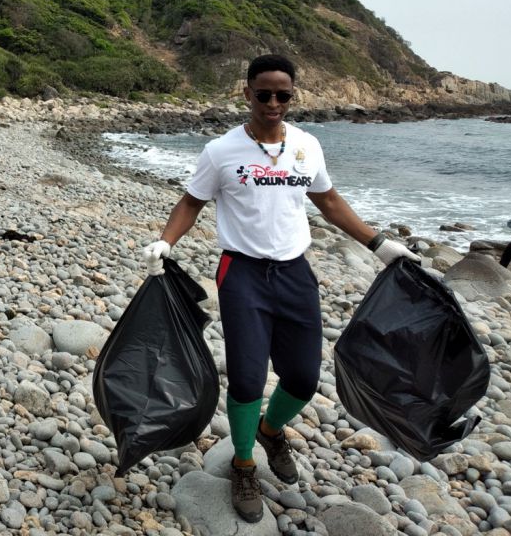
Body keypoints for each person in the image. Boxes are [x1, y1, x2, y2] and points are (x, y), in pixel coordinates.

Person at [142, 54, 418, 523]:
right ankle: (244, 462)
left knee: (303, 379)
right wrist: (164, 242)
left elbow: (328, 200)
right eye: (264, 93)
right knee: (248, 378)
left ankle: (272, 430)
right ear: (246, 93)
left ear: (293, 96)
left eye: (283, 94)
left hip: (295, 275)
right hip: (242, 274)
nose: (273, 102)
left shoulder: (306, 146)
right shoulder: (221, 151)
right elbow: (191, 201)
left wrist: (380, 244)